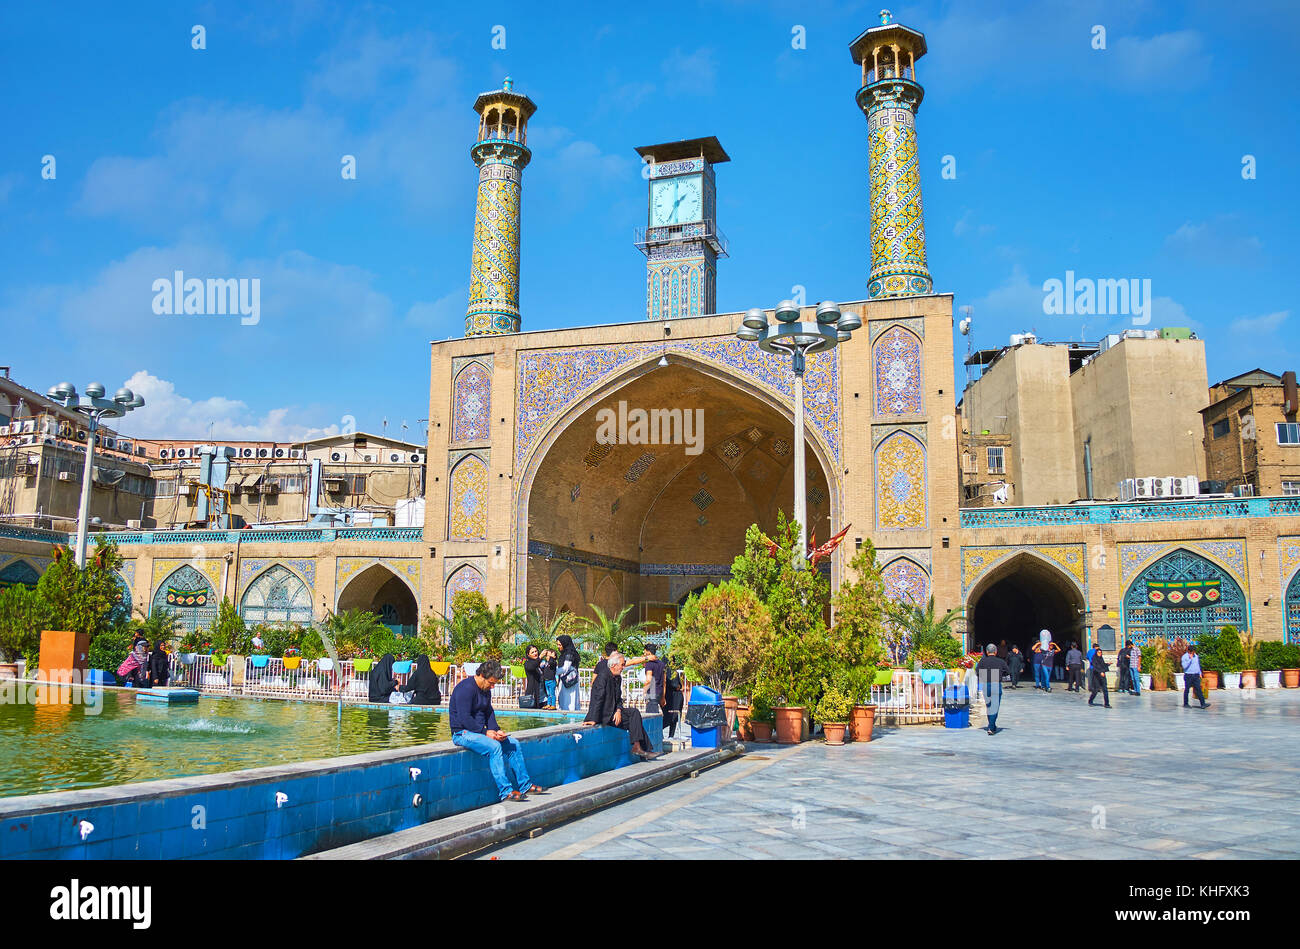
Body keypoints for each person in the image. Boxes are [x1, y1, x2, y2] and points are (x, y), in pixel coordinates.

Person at [449, 660, 546, 802]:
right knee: (494, 747)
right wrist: (485, 732)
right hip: (462, 733)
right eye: (491, 683)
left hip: (479, 732)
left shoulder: (485, 690)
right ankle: (505, 791)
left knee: (513, 744)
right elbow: (464, 719)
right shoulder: (465, 689)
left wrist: (496, 730)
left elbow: (489, 713)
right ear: (481, 675)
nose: (492, 687)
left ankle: (525, 785)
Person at [584, 651, 659, 759]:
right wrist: (593, 718)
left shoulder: (617, 678)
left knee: (634, 714)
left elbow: (618, 698)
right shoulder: (602, 677)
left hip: (614, 712)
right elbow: (597, 699)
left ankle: (637, 747)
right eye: (622, 664)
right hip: (605, 715)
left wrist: (618, 711)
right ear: (614, 665)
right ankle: (643, 749)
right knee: (634, 721)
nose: (623, 667)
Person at [975, 643, 1010, 735]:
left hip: (986, 684)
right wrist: (999, 674)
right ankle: (991, 727)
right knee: (995, 706)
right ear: (996, 651)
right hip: (996, 684)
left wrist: (985, 675)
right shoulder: (1000, 661)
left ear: (987, 652)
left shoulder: (982, 661)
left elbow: (977, 672)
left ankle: (992, 725)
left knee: (989, 706)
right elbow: (1007, 671)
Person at [555, 634, 581, 711]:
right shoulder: (565, 653)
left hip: (569, 682)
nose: (558, 646)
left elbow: (565, 668)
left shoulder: (569, 654)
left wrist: (553, 671)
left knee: (569, 703)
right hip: (565, 681)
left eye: (560, 644)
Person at [641, 644, 666, 716]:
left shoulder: (649, 664)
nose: (644, 654)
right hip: (659, 692)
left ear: (648, 652)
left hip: (652, 693)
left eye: (645, 652)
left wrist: (644, 691)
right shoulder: (662, 664)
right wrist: (663, 697)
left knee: (651, 717)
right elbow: (664, 681)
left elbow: (649, 680)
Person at [662, 663, 684, 738]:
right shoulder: (669, 672)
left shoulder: (672, 672)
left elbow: (679, 685)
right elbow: (675, 685)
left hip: (674, 698)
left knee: (673, 717)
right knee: (670, 717)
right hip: (671, 697)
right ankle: (667, 735)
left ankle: (671, 735)